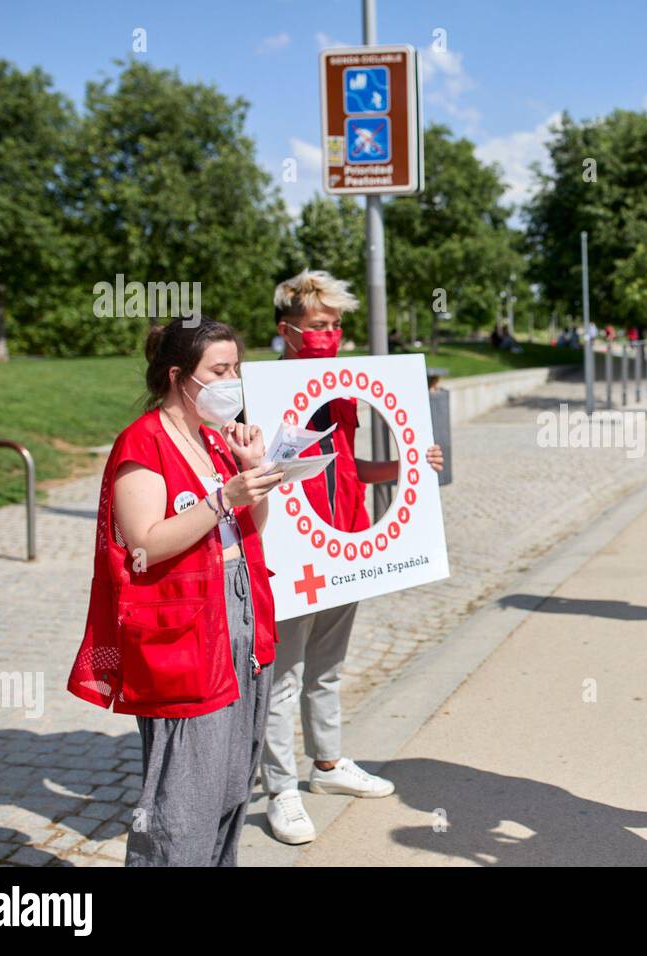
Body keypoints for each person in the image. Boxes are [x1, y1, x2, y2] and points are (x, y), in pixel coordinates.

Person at [67, 317, 285, 866]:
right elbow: (143, 544)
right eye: (220, 369)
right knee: (184, 797)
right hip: (184, 630)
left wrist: (252, 474)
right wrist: (222, 499)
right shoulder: (142, 442)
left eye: (235, 367)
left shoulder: (215, 438)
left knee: (233, 783)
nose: (232, 379)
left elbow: (250, 523)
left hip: (239, 610)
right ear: (177, 375)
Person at [261, 270, 444, 845]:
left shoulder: (343, 391)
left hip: (348, 542)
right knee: (283, 676)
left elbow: (347, 466)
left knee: (328, 668)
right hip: (294, 552)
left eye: (337, 325)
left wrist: (407, 467)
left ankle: (328, 765)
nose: (331, 334)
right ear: (288, 329)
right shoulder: (262, 395)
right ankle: (281, 790)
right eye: (319, 325)